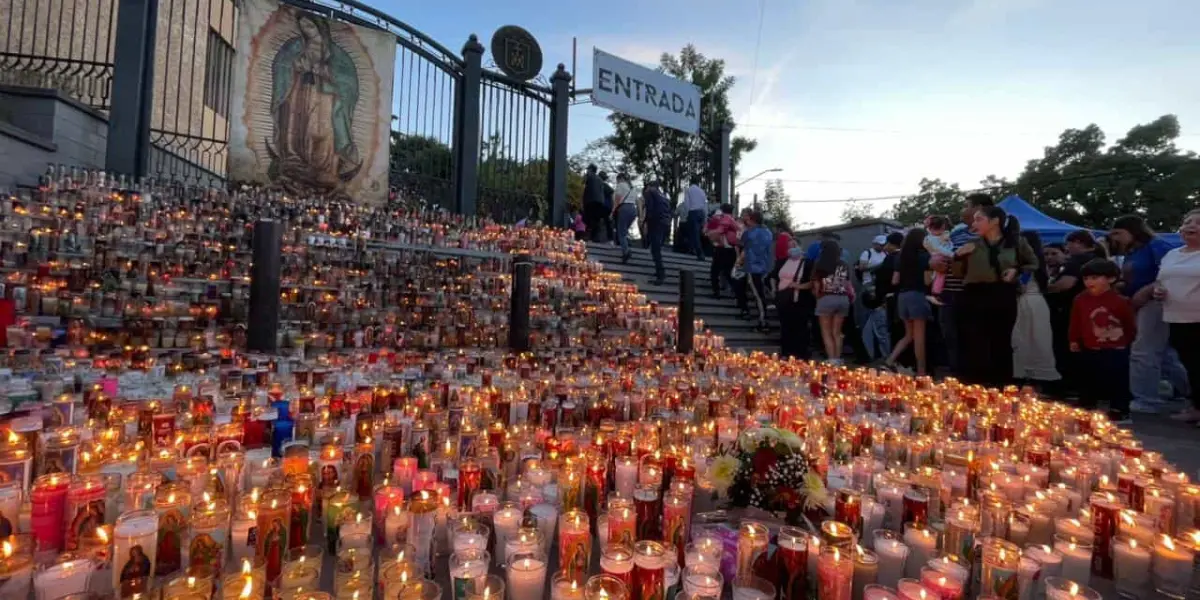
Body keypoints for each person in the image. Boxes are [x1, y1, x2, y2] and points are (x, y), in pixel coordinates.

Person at [1109, 215, 1189, 413]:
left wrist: (1146, 290)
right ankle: (1189, 390)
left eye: (1118, 233)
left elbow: (1170, 273)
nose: (1115, 238)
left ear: (1133, 230)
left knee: (1143, 350)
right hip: (1138, 304)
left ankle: (1146, 399)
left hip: (1156, 302)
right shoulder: (1132, 252)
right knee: (1164, 354)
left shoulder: (1157, 246)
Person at [953, 206, 1037, 387]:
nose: (974, 223)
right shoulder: (972, 244)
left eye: (979, 219)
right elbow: (959, 273)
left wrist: (1017, 271)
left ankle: (1001, 384)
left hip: (1002, 294)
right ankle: (976, 385)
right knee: (975, 340)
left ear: (995, 221)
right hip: (974, 294)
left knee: (1001, 339)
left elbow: (1033, 263)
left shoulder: (1016, 242)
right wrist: (958, 257)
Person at [1144, 209, 1200, 424]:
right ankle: (1196, 406)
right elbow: (1161, 280)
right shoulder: (1172, 254)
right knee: (1191, 365)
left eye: (1197, 223)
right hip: (1175, 316)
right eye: (1187, 222)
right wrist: (1158, 290)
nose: (1190, 226)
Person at [1070, 259, 1136, 424]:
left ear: (1111, 279)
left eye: (1094, 277)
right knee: (1088, 376)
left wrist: (1127, 341)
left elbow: (1129, 323)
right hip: (1090, 346)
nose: (1089, 282)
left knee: (1117, 379)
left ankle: (1119, 409)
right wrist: (1073, 339)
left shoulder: (1120, 301)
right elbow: (1076, 321)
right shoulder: (1080, 299)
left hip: (1116, 347)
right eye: (1086, 278)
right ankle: (1087, 404)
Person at [938, 193, 995, 375]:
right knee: (952, 339)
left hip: (975, 294)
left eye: (965, 205)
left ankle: (978, 382)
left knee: (975, 340)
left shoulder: (992, 234)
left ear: (979, 209)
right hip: (949, 293)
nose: (962, 210)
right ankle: (958, 380)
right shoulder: (957, 233)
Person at [1012, 230, 1061, 386]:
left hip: (1024, 302)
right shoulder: (1041, 264)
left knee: (1024, 339)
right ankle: (1035, 376)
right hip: (1038, 302)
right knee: (1038, 339)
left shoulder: (1026, 264)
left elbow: (1021, 286)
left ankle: (1023, 374)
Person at [887, 228, 932, 374]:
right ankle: (921, 371)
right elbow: (927, 281)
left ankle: (889, 361)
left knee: (908, 335)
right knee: (919, 337)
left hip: (902, 297)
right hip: (918, 296)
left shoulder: (900, 257)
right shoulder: (924, 257)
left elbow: (895, 280)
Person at [862, 232, 902, 362]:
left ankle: (888, 358)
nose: (885, 247)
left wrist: (880, 296)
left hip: (885, 300)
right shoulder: (902, 257)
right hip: (894, 298)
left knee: (882, 331)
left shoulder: (892, 258)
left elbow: (886, 280)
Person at [813, 239, 853, 364]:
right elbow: (847, 284)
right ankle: (838, 358)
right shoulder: (844, 264)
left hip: (826, 298)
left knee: (826, 332)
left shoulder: (820, 264)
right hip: (842, 298)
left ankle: (832, 359)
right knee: (837, 332)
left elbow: (816, 285)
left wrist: (817, 296)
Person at [776, 236, 815, 359]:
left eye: (793, 246)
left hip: (800, 299)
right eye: (789, 247)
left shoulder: (808, 263)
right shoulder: (783, 261)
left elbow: (812, 281)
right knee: (785, 326)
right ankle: (786, 351)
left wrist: (798, 286)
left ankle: (800, 353)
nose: (791, 249)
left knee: (800, 326)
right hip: (784, 298)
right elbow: (774, 275)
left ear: (800, 246)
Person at [739, 210, 773, 331]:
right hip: (765, 267)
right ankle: (764, 319)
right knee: (761, 293)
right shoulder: (768, 232)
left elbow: (740, 242)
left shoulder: (749, 233)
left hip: (753, 267)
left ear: (752, 220)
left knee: (758, 295)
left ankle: (763, 322)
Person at [705, 204, 739, 298]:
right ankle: (738, 293)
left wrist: (710, 233)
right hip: (731, 249)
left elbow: (721, 229)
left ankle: (716, 293)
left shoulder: (726, 218)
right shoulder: (733, 220)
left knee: (714, 271)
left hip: (723, 248)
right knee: (728, 272)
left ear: (722, 210)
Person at [642, 180, 672, 285]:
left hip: (656, 222)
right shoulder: (663, 196)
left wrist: (645, 223)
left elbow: (649, 209)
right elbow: (669, 211)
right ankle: (659, 271)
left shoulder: (650, 192)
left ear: (649, 186)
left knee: (655, 250)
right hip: (665, 223)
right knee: (656, 248)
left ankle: (661, 274)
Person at [923, 216, 954, 305]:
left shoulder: (929, 238)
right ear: (943, 226)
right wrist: (951, 254)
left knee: (938, 275)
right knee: (941, 275)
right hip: (940, 256)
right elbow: (941, 248)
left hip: (935, 256)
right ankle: (937, 292)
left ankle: (936, 291)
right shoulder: (939, 236)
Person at [611, 173, 638, 263]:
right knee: (624, 231)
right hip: (633, 209)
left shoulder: (621, 185)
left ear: (620, 179)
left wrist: (612, 211)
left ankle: (626, 252)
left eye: (617, 180)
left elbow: (617, 199)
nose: (616, 182)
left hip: (624, 208)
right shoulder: (632, 188)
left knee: (621, 233)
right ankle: (626, 247)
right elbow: (637, 201)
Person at [683, 176, 708, 260]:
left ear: (691, 182)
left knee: (694, 234)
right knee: (697, 233)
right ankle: (693, 249)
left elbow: (687, 203)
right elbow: (705, 204)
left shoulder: (689, 190)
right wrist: (705, 217)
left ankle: (699, 253)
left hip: (693, 212)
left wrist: (687, 213)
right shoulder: (702, 191)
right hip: (701, 212)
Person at [582, 165, 606, 242]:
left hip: (590, 201)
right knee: (596, 219)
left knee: (588, 219)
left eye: (588, 169)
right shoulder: (600, 179)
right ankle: (596, 237)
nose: (587, 171)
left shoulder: (589, 176)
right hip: (600, 202)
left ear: (591, 170)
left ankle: (589, 237)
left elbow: (582, 183)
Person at [771, 228, 795, 294]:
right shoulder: (787, 237)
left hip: (782, 259)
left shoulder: (783, 236)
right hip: (785, 259)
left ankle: (775, 290)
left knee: (774, 277)